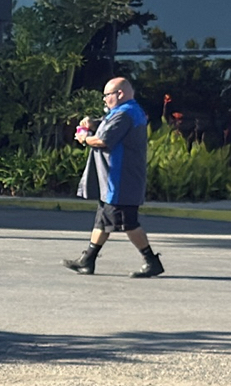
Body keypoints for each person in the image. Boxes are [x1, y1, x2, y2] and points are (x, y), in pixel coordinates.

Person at [64, 77, 165, 278]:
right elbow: (107, 126)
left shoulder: (126, 114)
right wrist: (94, 123)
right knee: (102, 221)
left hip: (120, 181)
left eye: (107, 95)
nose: (104, 100)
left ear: (120, 94)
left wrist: (84, 138)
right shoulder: (124, 112)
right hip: (112, 182)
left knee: (127, 222)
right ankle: (87, 261)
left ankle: (151, 261)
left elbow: (104, 140)